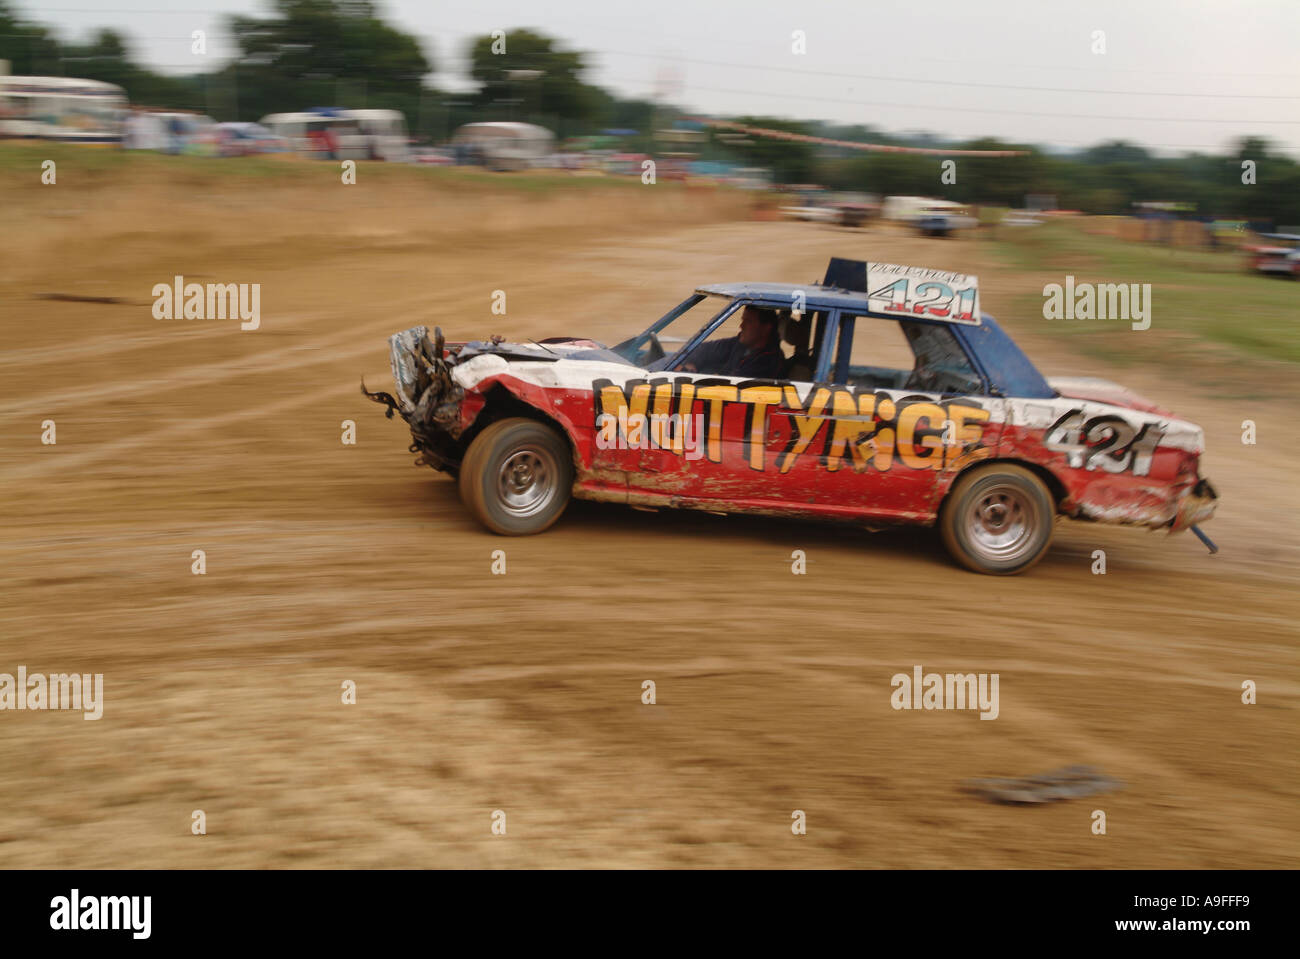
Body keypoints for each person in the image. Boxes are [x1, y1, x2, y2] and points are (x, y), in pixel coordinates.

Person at [682, 306, 785, 379]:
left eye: (748, 321)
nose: (741, 326)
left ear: (766, 328)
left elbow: (734, 383)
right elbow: (705, 348)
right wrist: (691, 364)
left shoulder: (768, 361)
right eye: (742, 320)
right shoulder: (740, 344)